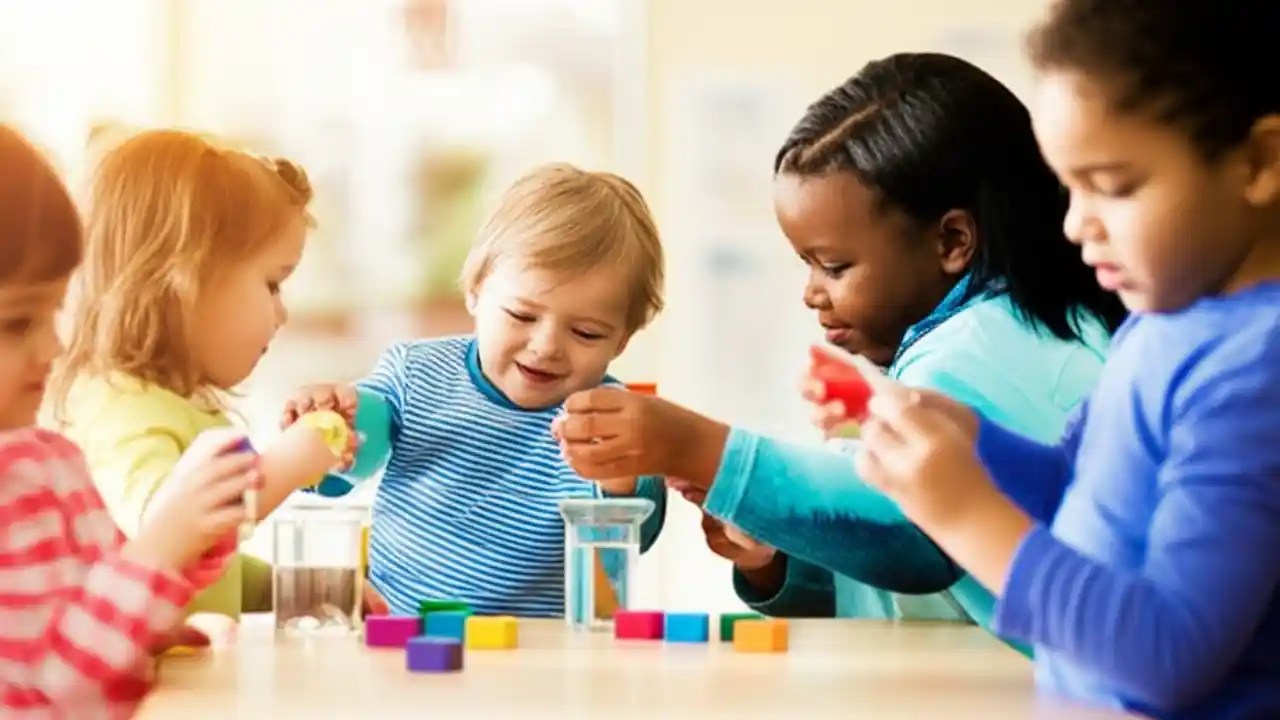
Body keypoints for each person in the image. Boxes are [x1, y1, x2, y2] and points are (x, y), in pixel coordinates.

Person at [554, 53, 1124, 637]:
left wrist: (700, 449)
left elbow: (915, 536)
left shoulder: (982, 350)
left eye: (833, 266)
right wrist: (777, 557)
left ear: (952, 241)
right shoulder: (1002, 339)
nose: (811, 293)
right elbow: (912, 579)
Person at [833, 2, 1280, 717]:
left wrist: (965, 512)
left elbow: (1167, 656)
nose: (1075, 224)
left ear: (1258, 162)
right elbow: (1077, 495)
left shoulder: (1255, 370)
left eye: (1113, 186)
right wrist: (970, 442)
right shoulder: (1158, 324)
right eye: (1069, 187)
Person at [282, 163, 668, 617]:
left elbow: (634, 533)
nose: (546, 346)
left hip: (535, 649)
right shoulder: (415, 372)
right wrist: (333, 424)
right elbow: (354, 451)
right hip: (398, 632)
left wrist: (622, 473)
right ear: (475, 292)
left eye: (586, 332)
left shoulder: (610, 418)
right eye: (522, 316)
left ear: (621, 340)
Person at [49, 129, 362, 619]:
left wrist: (297, 589)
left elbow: (204, 572)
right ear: (185, 283)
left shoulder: (174, 404)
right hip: (145, 669)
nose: (282, 314)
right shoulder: (117, 406)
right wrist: (288, 463)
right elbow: (168, 530)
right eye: (272, 284)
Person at [0, 124, 256, 717]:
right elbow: (46, 699)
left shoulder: (48, 462)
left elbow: (100, 599)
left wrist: (152, 620)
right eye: (15, 323)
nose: (53, 347)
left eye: (53, 312)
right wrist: (161, 546)